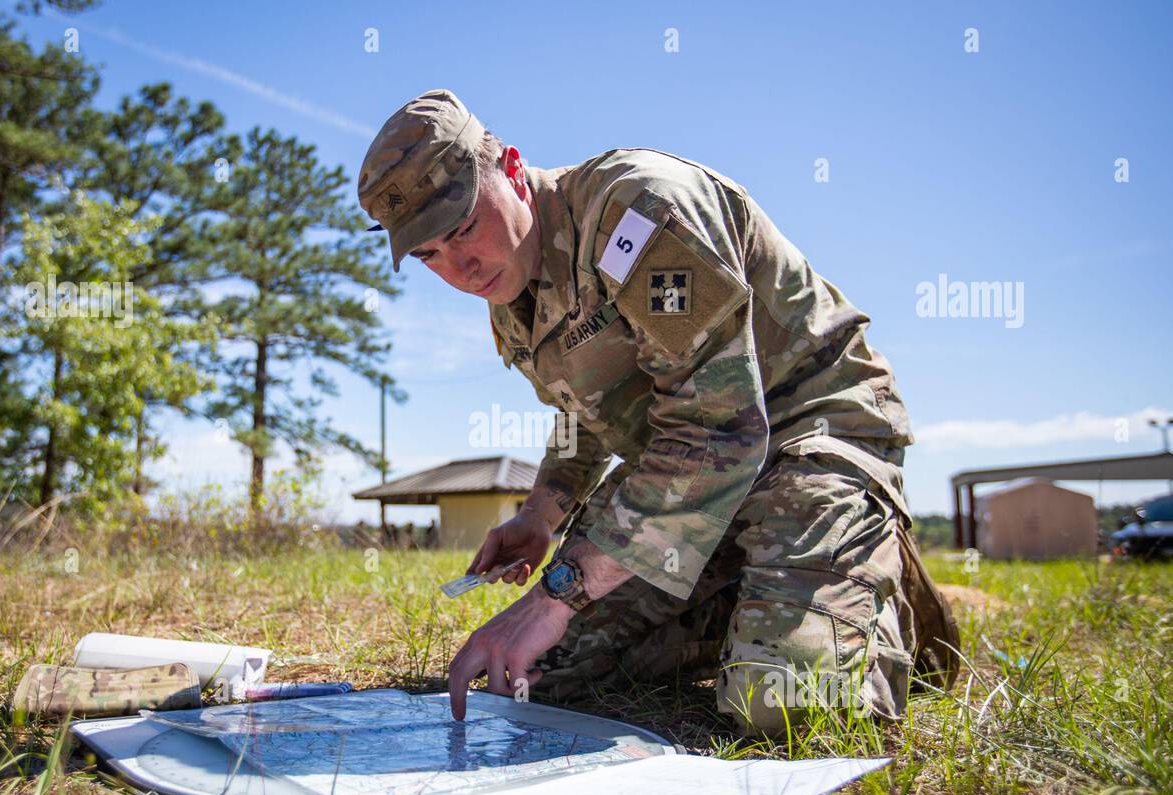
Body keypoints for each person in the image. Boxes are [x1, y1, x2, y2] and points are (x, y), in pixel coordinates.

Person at [357, 89, 959, 736]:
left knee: (786, 704)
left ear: (509, 165)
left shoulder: (636, 213)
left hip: (807, 430)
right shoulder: (511, 295)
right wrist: (539, 516)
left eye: (461, 229)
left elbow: (718, 427)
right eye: (428, 257)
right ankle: (757, 579)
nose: (460, 268)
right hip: (690, 473)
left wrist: (558, 592)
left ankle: (859, 558)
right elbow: (584, 411)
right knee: (545, 669)